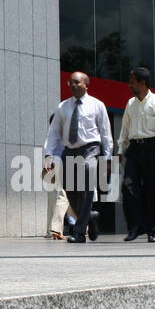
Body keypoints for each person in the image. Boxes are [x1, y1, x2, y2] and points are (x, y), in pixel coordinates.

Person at [44, 72, 112, 244]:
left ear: (86, 85)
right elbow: (53, 133)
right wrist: (48, 155)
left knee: (86, 186)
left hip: (90, 149)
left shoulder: (97, 105)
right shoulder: (63, 107)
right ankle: (90, 217)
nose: (73, 85)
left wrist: (108, 157)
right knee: (69, 189)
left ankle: (80, 231)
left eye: (77, 82)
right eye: (70, 83)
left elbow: (105, 132)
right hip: (69, 150)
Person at [117, 66, 155, 242]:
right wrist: (121, 150)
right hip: (135, 148)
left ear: (142, 83)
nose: (129, 85)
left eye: (132, 82)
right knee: (128, 187)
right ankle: (134, 228)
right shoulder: (130, 104)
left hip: (153, 147)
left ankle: (152, 230)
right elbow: (125, 129)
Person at [43, 113, 69, 240]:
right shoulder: (61, 133)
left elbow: (47, 150)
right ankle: (56, 229)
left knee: (52, 199)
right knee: (63, 197)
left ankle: (49, 231)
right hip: (58, 164)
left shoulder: (50, 134)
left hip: (48, 165)